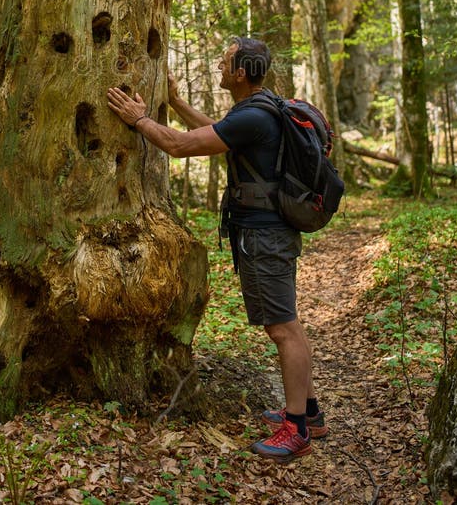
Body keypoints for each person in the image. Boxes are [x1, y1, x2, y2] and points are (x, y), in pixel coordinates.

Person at [107, 36, 328, 463]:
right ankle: (310, 413)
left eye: (225, 61)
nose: (219, 66)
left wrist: (139, 120)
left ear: (241, 72)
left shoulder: (253, 117)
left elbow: (181, 145)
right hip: (267, 232)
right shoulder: (259, 108)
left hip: (265, 236)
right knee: (287, 325)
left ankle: (297, 428)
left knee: (283, 328)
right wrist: (174, 102)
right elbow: (215, 132)